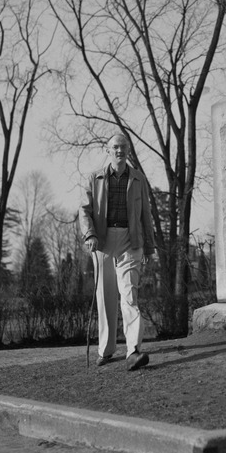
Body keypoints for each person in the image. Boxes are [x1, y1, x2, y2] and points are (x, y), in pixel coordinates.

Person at [79, 132, 156, 370]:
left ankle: (133, 351)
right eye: (115, 147)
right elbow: (84, 210)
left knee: (129, 295)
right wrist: (90, 235)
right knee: (105, 297)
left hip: (130, 241)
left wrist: (149, 246)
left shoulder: (139, 179)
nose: (120, 150)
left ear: (128, 151)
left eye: (123, 147)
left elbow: (146, 214)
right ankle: (106, 350)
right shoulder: (94, 178)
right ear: (108, 150)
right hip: (102, 242)